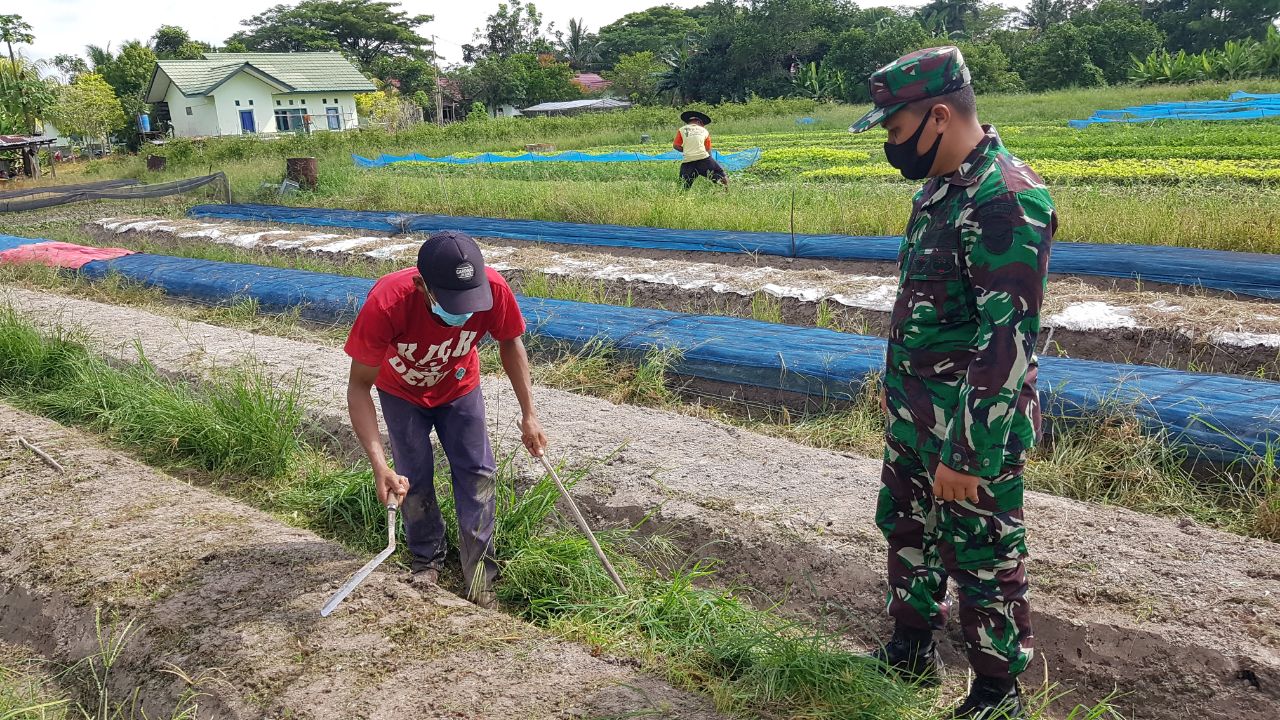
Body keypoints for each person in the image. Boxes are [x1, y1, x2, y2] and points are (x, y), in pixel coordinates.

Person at [848, 46, 1057, 719]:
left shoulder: (1006, 200)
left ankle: (998, 692)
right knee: (907, 528)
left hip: (971, 429)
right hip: (916, 416)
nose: (889, 141)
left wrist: (967, 453)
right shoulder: (936, 192)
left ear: (938, 115)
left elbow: (1007, 338)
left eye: (893, 127)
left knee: (983, 552)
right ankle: (910, 648)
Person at [344, 230, 548, 609]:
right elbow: (358, 387)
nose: (463, 311)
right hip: (401, 392)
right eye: (452, 302)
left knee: (478, 473)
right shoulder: (387, 303)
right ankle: (426, 559)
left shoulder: (494, 290)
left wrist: (529, 414)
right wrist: (378, 465)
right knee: (412, 476)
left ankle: (480, 576)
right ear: (423, 286)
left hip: (458, 387)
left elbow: (509, 341)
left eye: (469, 301)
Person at [674, 110, 729, 190]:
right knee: (722, 177)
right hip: (703, 159)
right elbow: (708, 149)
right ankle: (726, 193)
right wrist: (711, 163)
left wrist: (687, 150)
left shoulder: (682, 130)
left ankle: (681, 198)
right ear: (699, 122)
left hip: (688, 161)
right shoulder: (704, 131)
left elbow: (676, 146)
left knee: (683, 186)